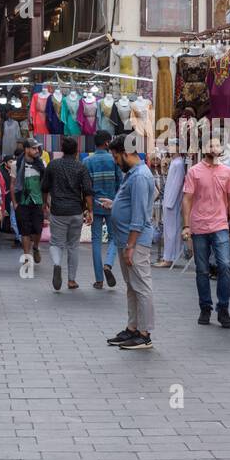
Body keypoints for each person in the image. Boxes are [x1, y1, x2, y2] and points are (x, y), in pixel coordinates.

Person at [103, 134, 156, 350]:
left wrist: (132, 245)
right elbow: (130, 204)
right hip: (126, 240)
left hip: (136, 242)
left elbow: (140, 215)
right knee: (132, 286)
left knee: (141, 286)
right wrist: (114, 205)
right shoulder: (133, 174)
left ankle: (144, 334)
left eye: (116, 158)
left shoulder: (141, 176)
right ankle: (133, 328)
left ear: (126, 154)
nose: (116, 162)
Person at [181, 136, 230, 328]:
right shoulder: (194, 171)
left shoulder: (228, 172)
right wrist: (186, 225)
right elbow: (187, 199)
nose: (214, 148)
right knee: (202, 270)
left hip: (220, 225)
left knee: (224, 266)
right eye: (210, 144)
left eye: (217, 144)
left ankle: (223, 308)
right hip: (198, 226)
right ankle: (205, 307)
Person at [42, 137, 94, 291]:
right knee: (73, 246)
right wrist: (89, 210)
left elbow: (44, 187)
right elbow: (87, 191)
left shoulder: (53, 165)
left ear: (62, 150)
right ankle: (72, 280)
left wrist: (45, 204)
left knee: (56, 244)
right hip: (75, 211)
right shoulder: (81, 167)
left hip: (58, 211)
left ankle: (57, 264)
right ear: (77, 150)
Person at [83, 130, 123, 289]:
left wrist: (87, 208)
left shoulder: (87, 161)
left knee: (96, 240)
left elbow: (86, 188)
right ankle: (108, 264)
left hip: (95, 205)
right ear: (107, 143)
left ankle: (99, 279)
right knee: (115, 237)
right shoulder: (114, 160)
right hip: (112, 204)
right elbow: (121, 183)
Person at [13, 139, 47, 264]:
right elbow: (13, 184)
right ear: (26, 149)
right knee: (25, 230)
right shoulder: (16, 164)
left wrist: (46, 202)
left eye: (37, 148)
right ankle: (27, 256)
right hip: (22, 201)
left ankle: (36, 247)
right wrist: (14, 203)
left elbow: (45, 184)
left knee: (38, 229)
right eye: (34, 148)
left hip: (37, 200)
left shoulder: (41, 163)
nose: (37, 151)